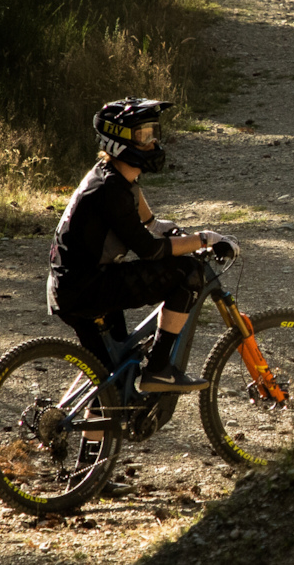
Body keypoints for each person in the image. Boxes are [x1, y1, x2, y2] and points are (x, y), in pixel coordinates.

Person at [47, 97, 238, 392]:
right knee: (188, 274)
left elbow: (151, 226)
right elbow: (150, 250)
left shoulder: (117, 178)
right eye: (143, 136)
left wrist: (177, 233)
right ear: (119, 142)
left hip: (74, 286)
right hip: (86, 287)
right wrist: (205, 240)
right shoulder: (111, 190)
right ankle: (160, 369)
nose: (153, 142)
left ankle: (92, 432)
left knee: (110, 384)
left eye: (153, 133)